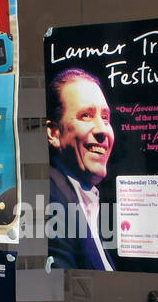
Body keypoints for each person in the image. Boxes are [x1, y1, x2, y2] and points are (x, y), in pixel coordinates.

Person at [45, 68, 115, 270]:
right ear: (54, 133)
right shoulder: (51, 200)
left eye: (105, 117)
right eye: (86, 115)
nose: (102, 129)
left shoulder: (80, 199)